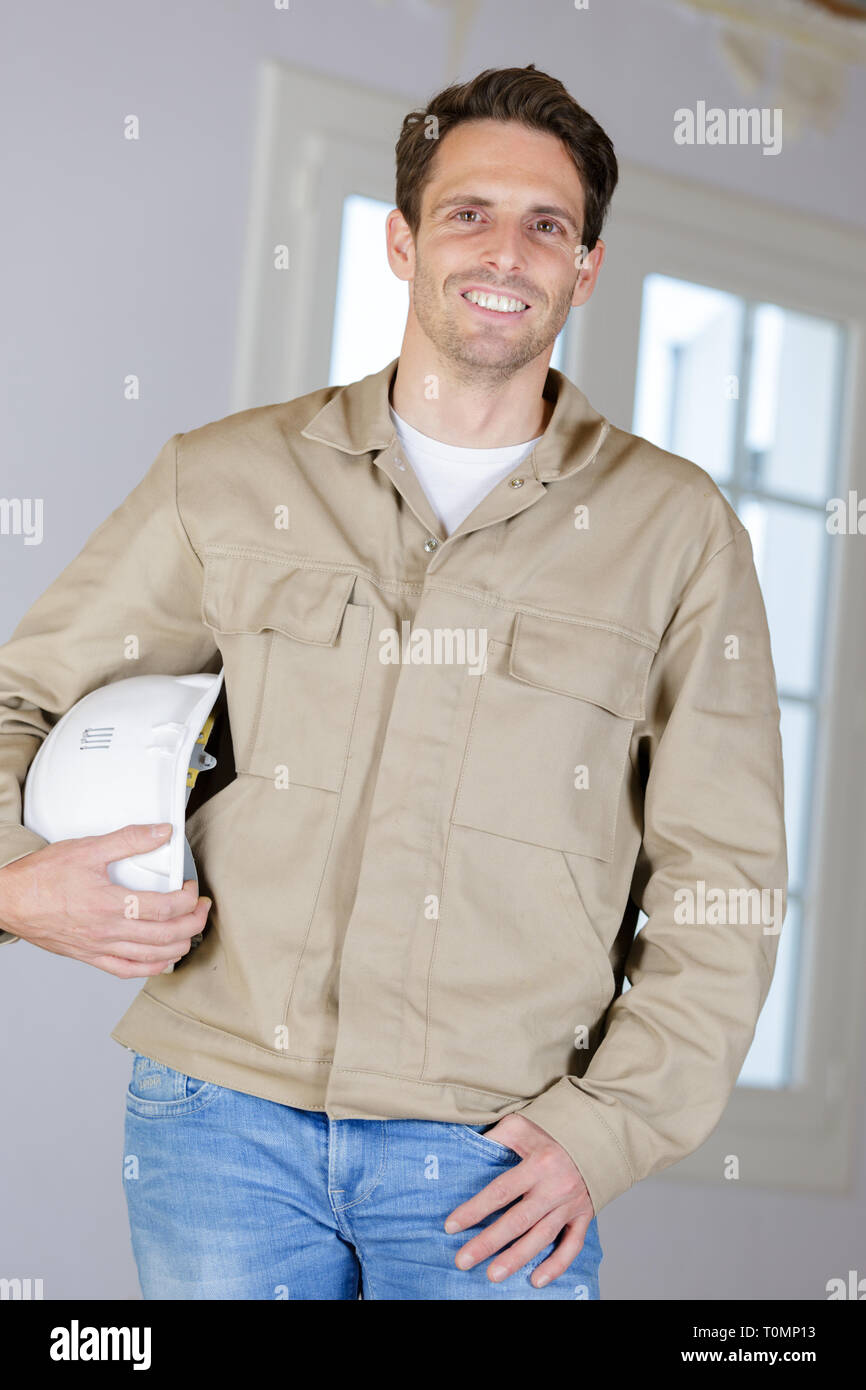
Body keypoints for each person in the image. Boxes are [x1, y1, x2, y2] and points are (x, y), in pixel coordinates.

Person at [0, 65, 786, 1300]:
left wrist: (609, 1128)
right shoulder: (224, 476)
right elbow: (21, 698)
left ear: (583, 268)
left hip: (495, 1154)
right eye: (468, 212)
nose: (504, 251)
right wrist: (8, 883)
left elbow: (725, 879)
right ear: (402, 239)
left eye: (547, 226)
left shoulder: (673, 530)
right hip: (218, 1125)